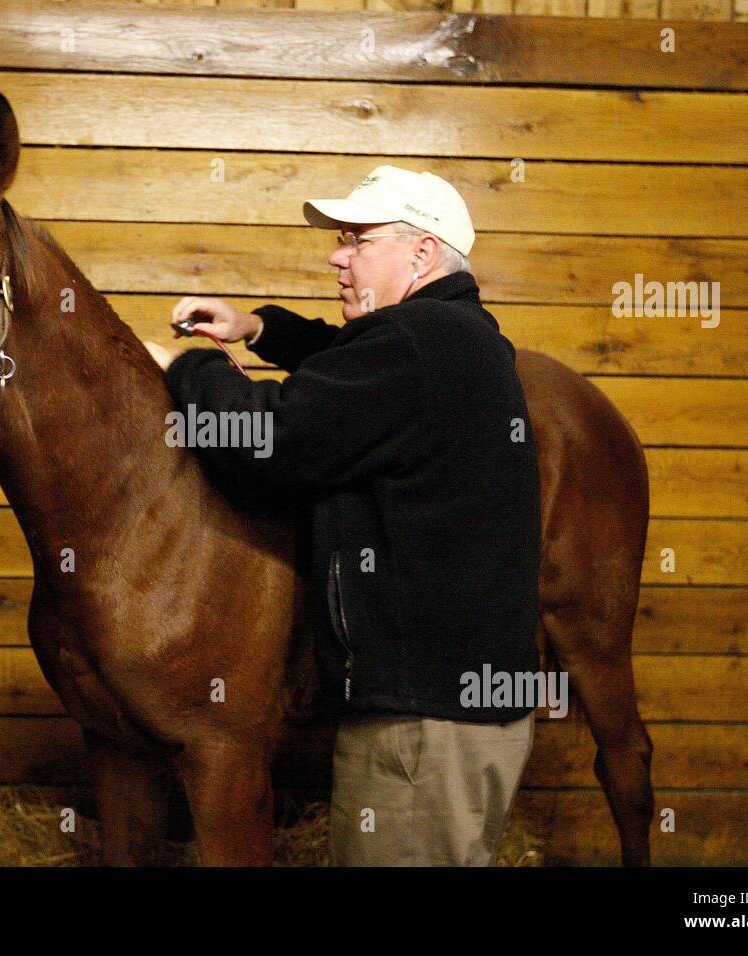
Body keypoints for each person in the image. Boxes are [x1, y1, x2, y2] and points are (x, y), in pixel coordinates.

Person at [144, 165, 542, 866]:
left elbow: (269, 443)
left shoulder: (415, 346)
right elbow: (353, 367)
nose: (336, 254)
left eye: (358, 239)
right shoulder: (454, 338)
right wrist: (259, 329)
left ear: (421, 254)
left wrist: (182, 369)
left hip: (421, 727)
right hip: (453, 714)